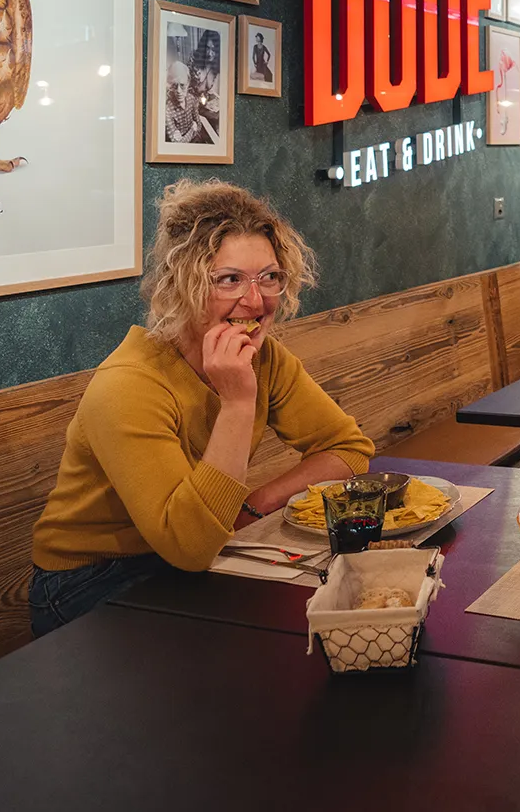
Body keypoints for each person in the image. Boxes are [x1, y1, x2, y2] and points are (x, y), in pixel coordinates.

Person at [29, 180, 374, 636]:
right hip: (90, 579)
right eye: (230, 280)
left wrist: (255, 504)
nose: (255, 301)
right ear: (183, 285)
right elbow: (188, 546)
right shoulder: (129, 385)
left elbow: (348, 447)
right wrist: (236, 402)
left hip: (200, 547)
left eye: (268, 277)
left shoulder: (266, 357)